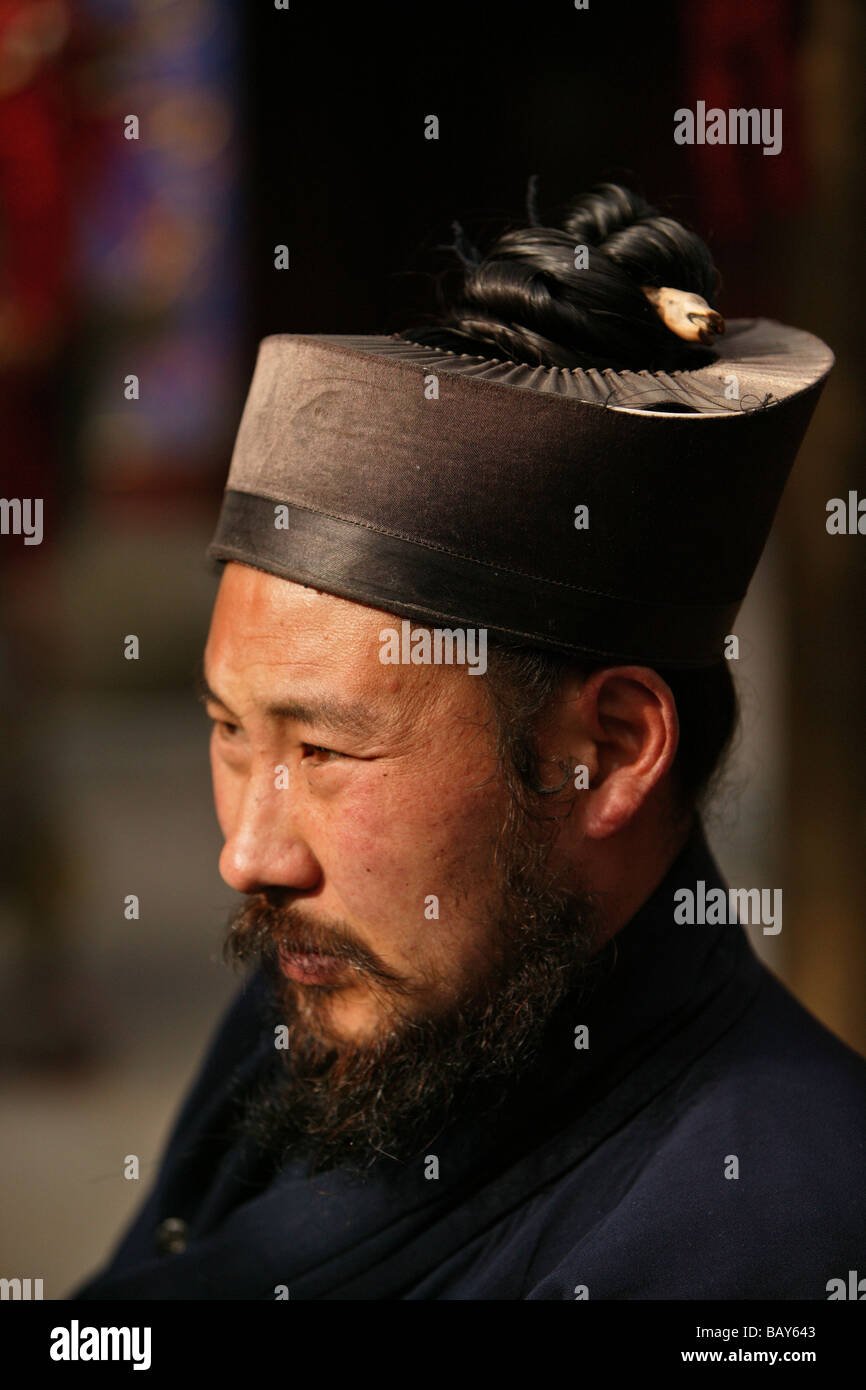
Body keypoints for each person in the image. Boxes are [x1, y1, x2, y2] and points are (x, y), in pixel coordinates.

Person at [71, 184, 866, 1300]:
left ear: (608, 749)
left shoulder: (767, 1235)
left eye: (327, 753)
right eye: (228, 731)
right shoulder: (328, 1005)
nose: (250, 858)